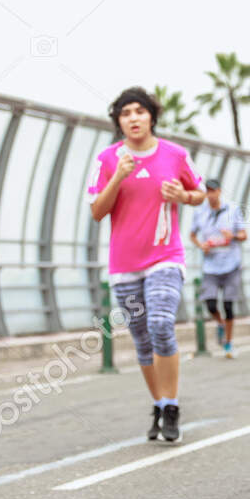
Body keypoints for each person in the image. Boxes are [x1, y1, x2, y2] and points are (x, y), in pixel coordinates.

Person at [89, 87, 206, 443]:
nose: (134, 118)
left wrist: (183, 196)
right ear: (119, 121)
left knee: (160, 323)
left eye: (140, 111)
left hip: (165, 257)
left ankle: (171, 405)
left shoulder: (175, 154)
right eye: (126, 113)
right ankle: (158, 403)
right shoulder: (107, 160)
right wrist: (118, 177)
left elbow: (199, 193)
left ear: (152, 116)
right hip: (124, 264)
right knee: (141, 338)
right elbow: (97, 211)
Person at [190, 178, 247, 358]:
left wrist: (232, 236)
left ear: (219, 191)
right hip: (210, 266)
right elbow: (192, 235)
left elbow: (244, 234)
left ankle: (228, 343)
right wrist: (201, 245)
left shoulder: (232, 210)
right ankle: (220, 323)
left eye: (213, 191)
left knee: (228, 305)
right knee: (210, 304)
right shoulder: (200, 212)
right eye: (207, 191)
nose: (211, 195)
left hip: (231, 264)